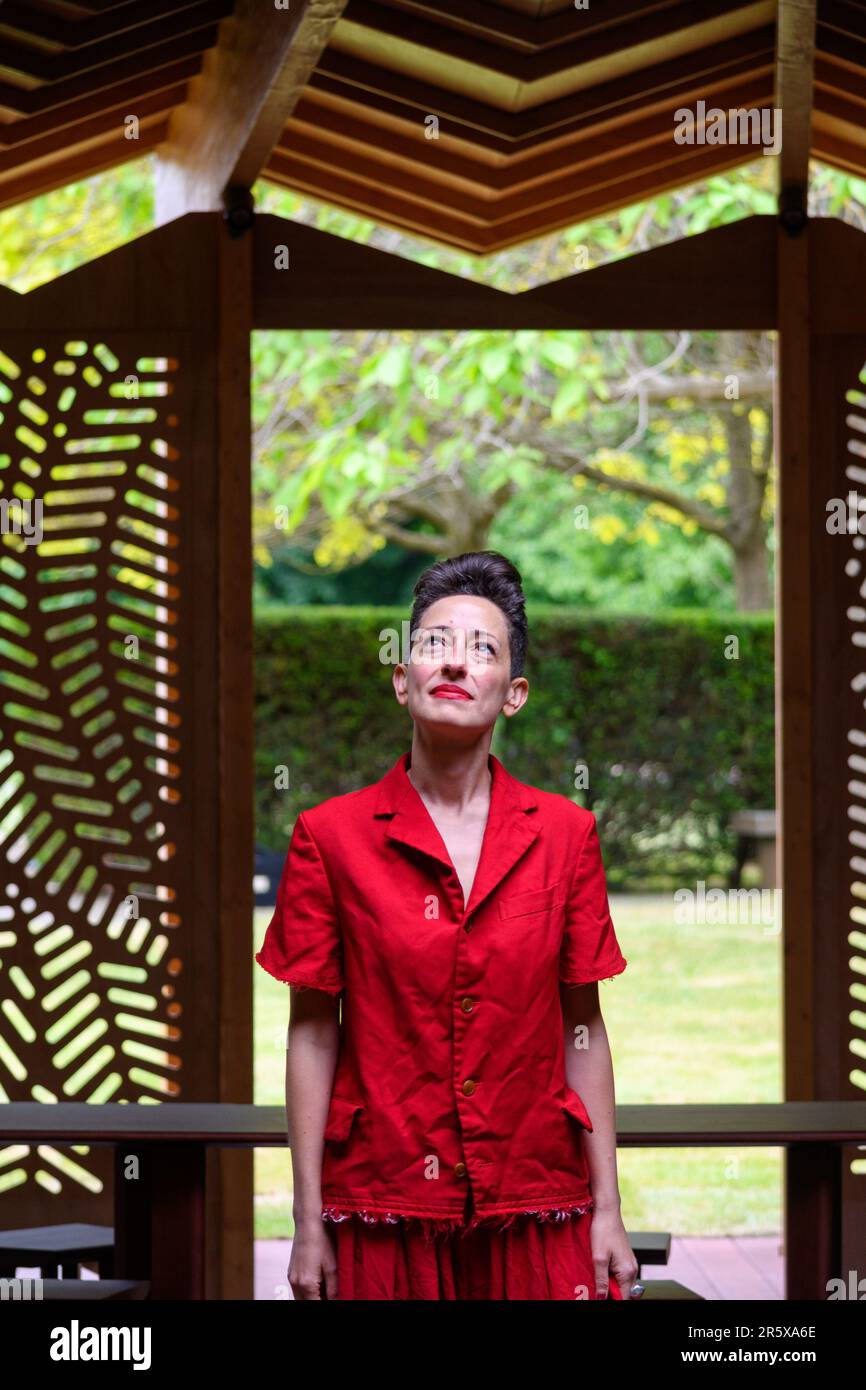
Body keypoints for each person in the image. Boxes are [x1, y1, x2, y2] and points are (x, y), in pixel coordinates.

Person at [256, 551, 641, 1301]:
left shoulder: (566, 837)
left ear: (514, 693)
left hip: (535, 1199)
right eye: (433, 643)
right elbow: (312, 1032)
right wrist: (308, 1221)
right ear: (403, 680)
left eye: (482, 648)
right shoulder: (329, 838)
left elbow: (582, 1029)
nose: (455, 662)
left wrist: (608, 1210)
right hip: (383, 1201)